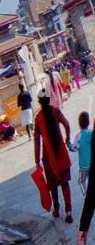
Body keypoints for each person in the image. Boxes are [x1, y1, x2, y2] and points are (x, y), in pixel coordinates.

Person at [34, 91, 74, 222]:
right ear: (49, 99)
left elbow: (37, 140)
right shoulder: (55, 111)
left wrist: (36, 160)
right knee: (65, 183)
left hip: (48, 157)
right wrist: (67, 139)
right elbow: (67, 124)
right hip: (60, 153)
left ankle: (56, 210)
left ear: (39, 101)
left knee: (53, 185)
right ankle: (68, 212)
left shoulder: (38, 117)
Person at [78, 112, 93, 193]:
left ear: (79, 124)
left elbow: (74, 148)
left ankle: (87, 193)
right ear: (88, 123)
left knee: (82, 180)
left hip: (83, 166)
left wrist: (69, 144)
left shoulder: (78, 136)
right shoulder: (91, 133)